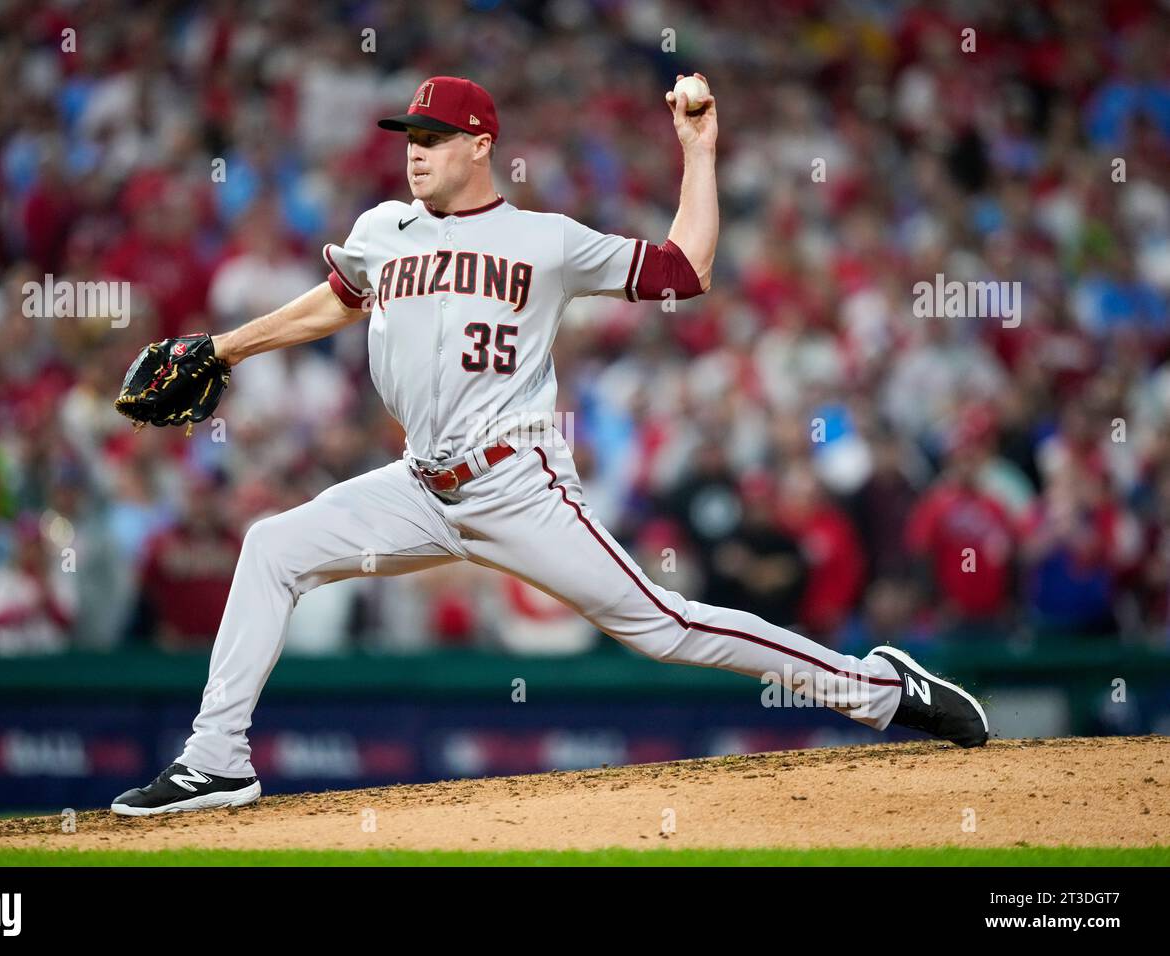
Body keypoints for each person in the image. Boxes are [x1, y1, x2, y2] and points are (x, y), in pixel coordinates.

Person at [112, 75, 988, 816]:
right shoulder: (385, 230)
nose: (414, 148)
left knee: (667, 627)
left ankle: (878, 688)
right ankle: (217, 758)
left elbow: (687, 269)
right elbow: (337, 299)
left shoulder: (545, 241)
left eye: (434, 135)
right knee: (271, 546)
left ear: (482, 144)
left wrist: (698, 149)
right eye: (408, 134)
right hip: (419, 486)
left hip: (517, 483)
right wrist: (224, 348)